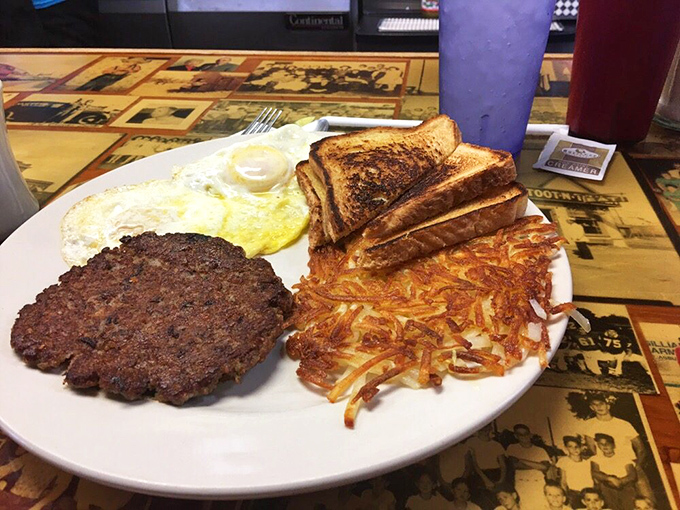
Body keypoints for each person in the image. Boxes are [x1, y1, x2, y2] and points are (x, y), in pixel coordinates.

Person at [505, 424, 552, 507]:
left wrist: (520, 460)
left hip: (539, 484)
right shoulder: (512, 448)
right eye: (520, 434)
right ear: (516, 436)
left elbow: (545, 467)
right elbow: (515, 465)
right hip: (522, 484)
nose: (524, 436)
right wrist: (538, 466)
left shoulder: (540, 450)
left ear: (530, 434)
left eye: (526, 433)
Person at [466, 423, 507, 510]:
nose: (485, 431)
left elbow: (503, 465)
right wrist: (486, 480)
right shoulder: (472, 442)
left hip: (496, 474)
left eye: (487, 429)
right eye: (482, 429)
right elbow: (473, 464)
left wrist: (501, 481)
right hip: (479, 475)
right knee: (485, 502)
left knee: (499, 501)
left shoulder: (496, 444)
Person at [591, 434, 637, 510]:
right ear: (598, 446)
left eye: (607, 443)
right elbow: (594, 473)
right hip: (607, 487)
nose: (605, 446)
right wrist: (610, 479)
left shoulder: (623, 457)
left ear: (614, 445)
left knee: (629, 506)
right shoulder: (596, 459)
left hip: (625, 486)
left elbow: (632, 475)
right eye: (601, 444)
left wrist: (620, 481)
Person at [556, 436, 594, 508]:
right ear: (566, 448)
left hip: (589, 493)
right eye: (570, 446)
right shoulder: (564, 461)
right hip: (574, 494)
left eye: (577, 446)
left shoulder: (587, 461)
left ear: (581, 447)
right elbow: (563, 481)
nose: (574, 449)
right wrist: (566, 497)